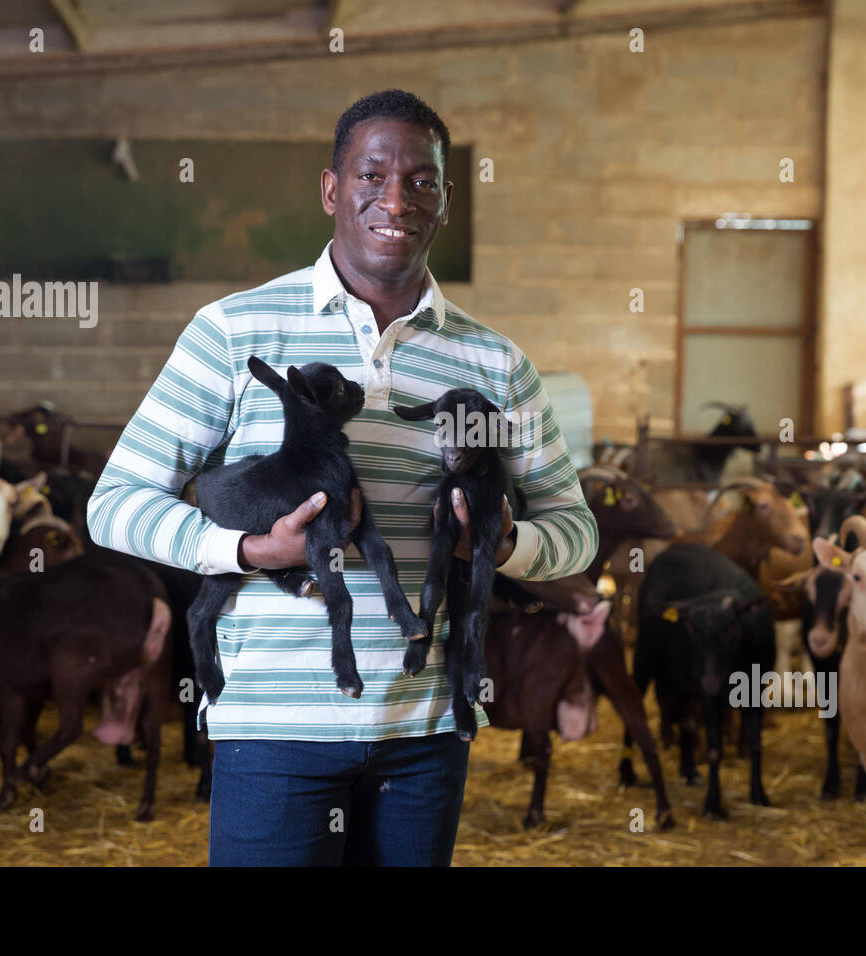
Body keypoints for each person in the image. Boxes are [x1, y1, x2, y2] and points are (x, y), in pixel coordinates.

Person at [87, 88, 597, 866]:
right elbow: (114, 505)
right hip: (272, 731)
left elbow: (575, 531)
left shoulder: (498, 365)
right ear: (333, 189)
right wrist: (251, 551)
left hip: (426, 734)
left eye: (421, 180)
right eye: (371, 175)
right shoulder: (233, 330)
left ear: (446, 200)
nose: (395, 197)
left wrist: (499, 542)